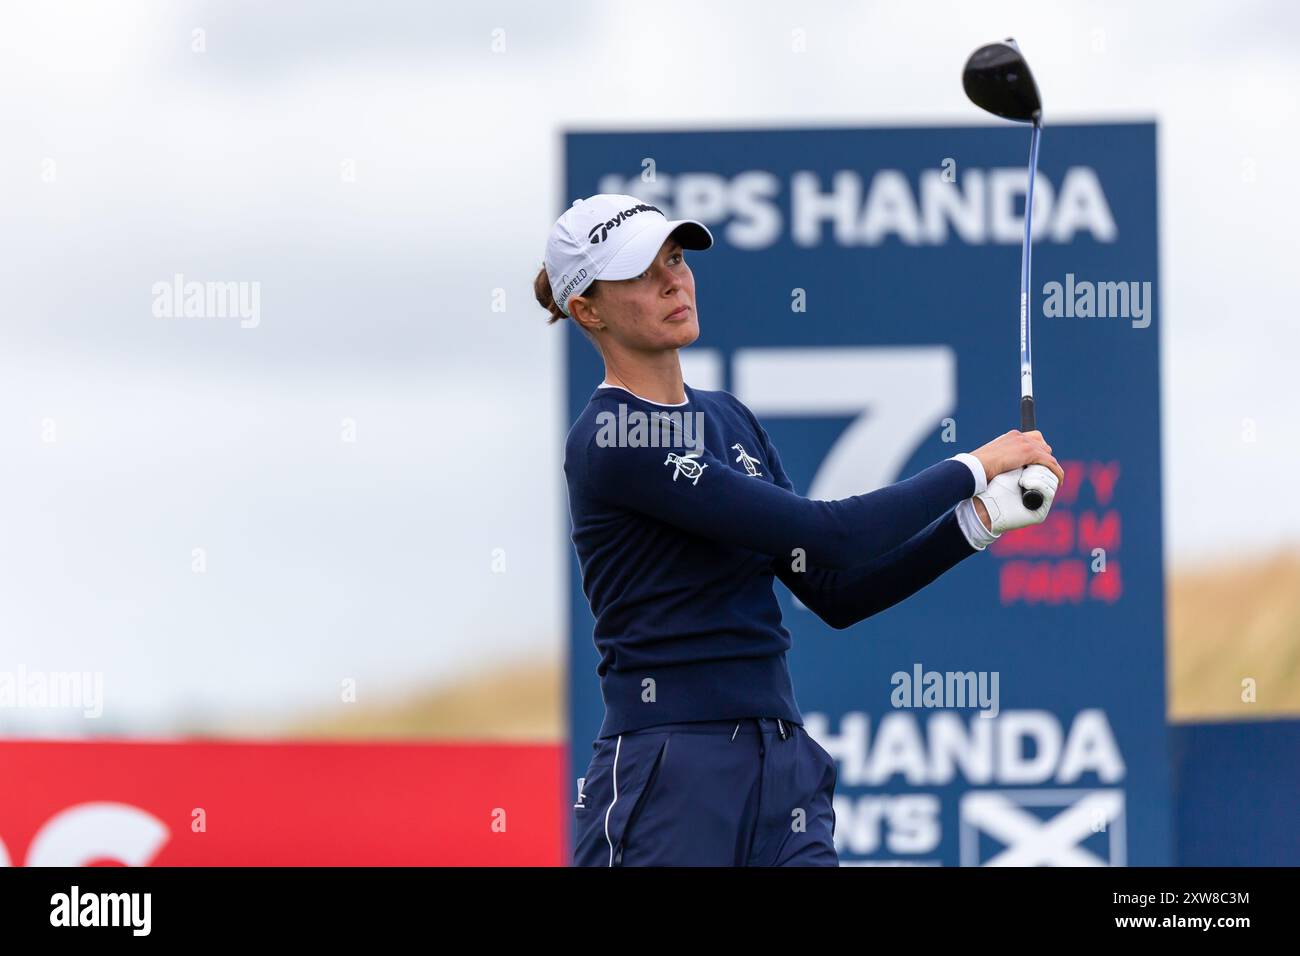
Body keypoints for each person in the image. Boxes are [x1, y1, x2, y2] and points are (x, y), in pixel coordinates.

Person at [535, 194, 1064, 867]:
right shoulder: (611, 436)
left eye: (675, 258)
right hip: (669, 770)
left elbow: (836, 590)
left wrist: (977, 522)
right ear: (587, 310)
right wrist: (974, 464)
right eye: (641, 272)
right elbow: (833, 534)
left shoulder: (730, 419)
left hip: (781, 766)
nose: (674, 279)